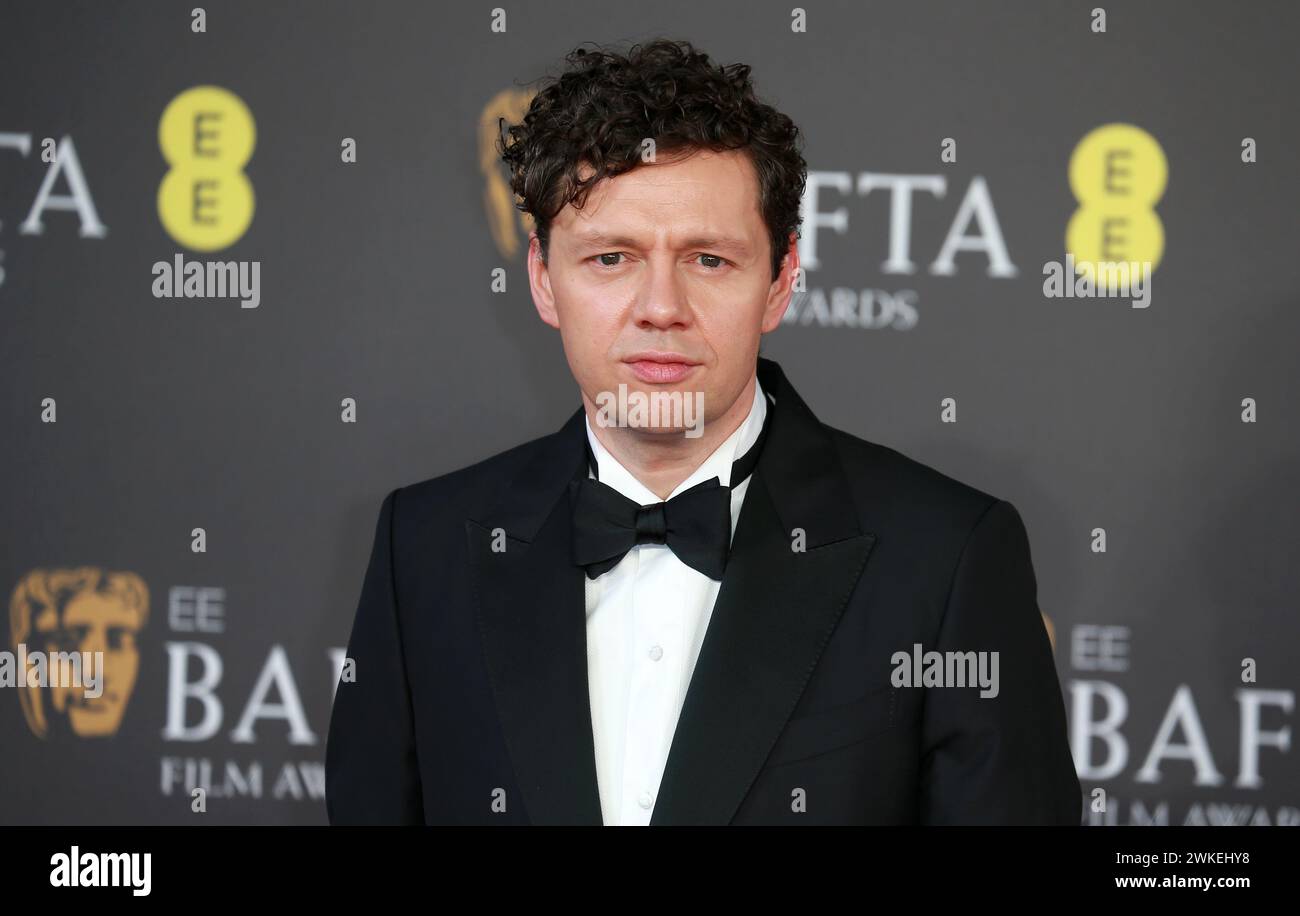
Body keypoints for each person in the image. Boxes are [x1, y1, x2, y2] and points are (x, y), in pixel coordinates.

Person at [325, 38, 1080, 825]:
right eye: (611, 258)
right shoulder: (425, 546)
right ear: (544, 280)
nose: (660, 306)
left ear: (781, 281)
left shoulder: (946, 558)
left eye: (709, 260)